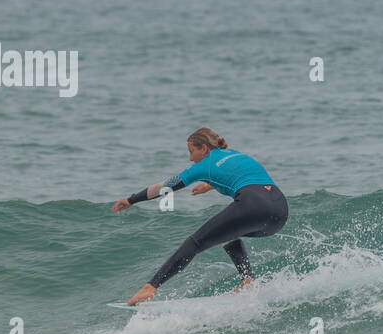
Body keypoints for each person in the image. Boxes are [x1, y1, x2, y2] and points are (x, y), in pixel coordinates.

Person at [112, 127, 288, 305]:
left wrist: (131, 200)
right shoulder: (235, 154)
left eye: (191, 151)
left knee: (195, 243)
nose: (190, 158)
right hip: (279, 212)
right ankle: (248, 280)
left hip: (253, 205)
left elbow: (165, 186)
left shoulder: (204, 165)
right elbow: (236, 173)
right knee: (227, 234)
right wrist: (208, 185)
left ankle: (150, 288)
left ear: (204, 148)